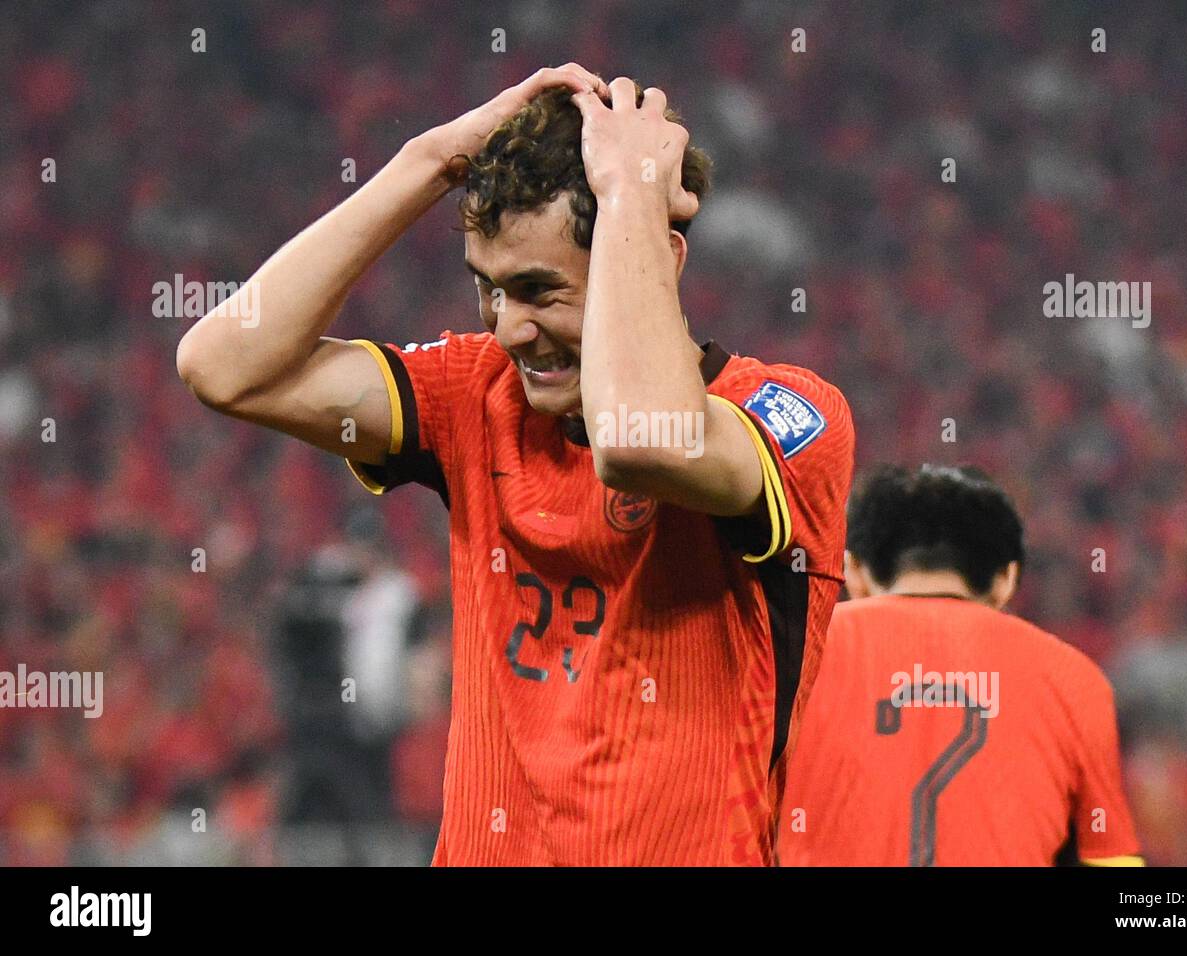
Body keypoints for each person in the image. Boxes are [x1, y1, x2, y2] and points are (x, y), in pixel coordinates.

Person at [177, 65, 854, 865]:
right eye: (489, 290)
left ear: (658, 257)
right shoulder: (475, 397)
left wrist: (630, 196)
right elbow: (223, 365)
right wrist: (427, 162)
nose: (508, 329)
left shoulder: (788, 416)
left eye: (538, 291)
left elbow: (637, 439)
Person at [779, 464, 1142, 866]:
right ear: (1006, 579)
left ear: (854, 572)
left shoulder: (796, 653)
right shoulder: (1074, 677)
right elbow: (1110, 859)